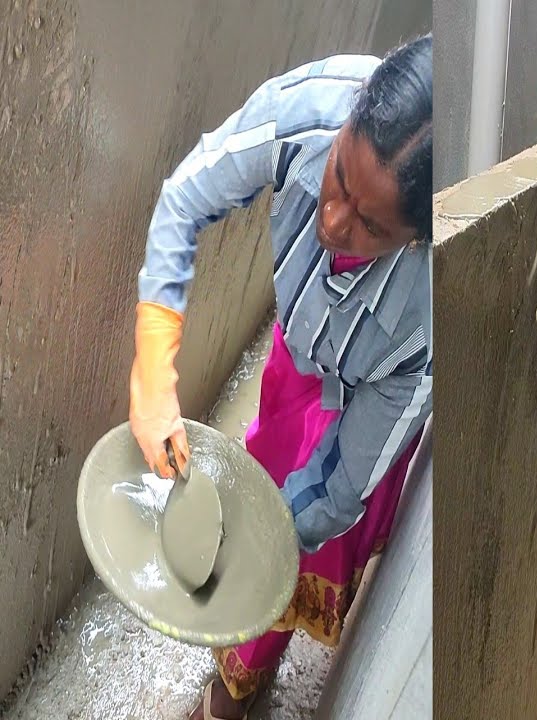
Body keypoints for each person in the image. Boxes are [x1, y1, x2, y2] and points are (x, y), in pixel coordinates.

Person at [128, 35, 432, 720]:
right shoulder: (310, 111)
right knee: (260, 484)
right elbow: (184, 199)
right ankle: (241, 668)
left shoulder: (429, 311)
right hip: (298, 361)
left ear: (416, 236)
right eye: (340, 180)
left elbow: (344, 479)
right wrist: (154, 359)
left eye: (370, 226)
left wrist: (262, 545)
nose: (333, 220)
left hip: (366, 400)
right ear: (349, 122)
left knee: (297, 547)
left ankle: (236, 692)